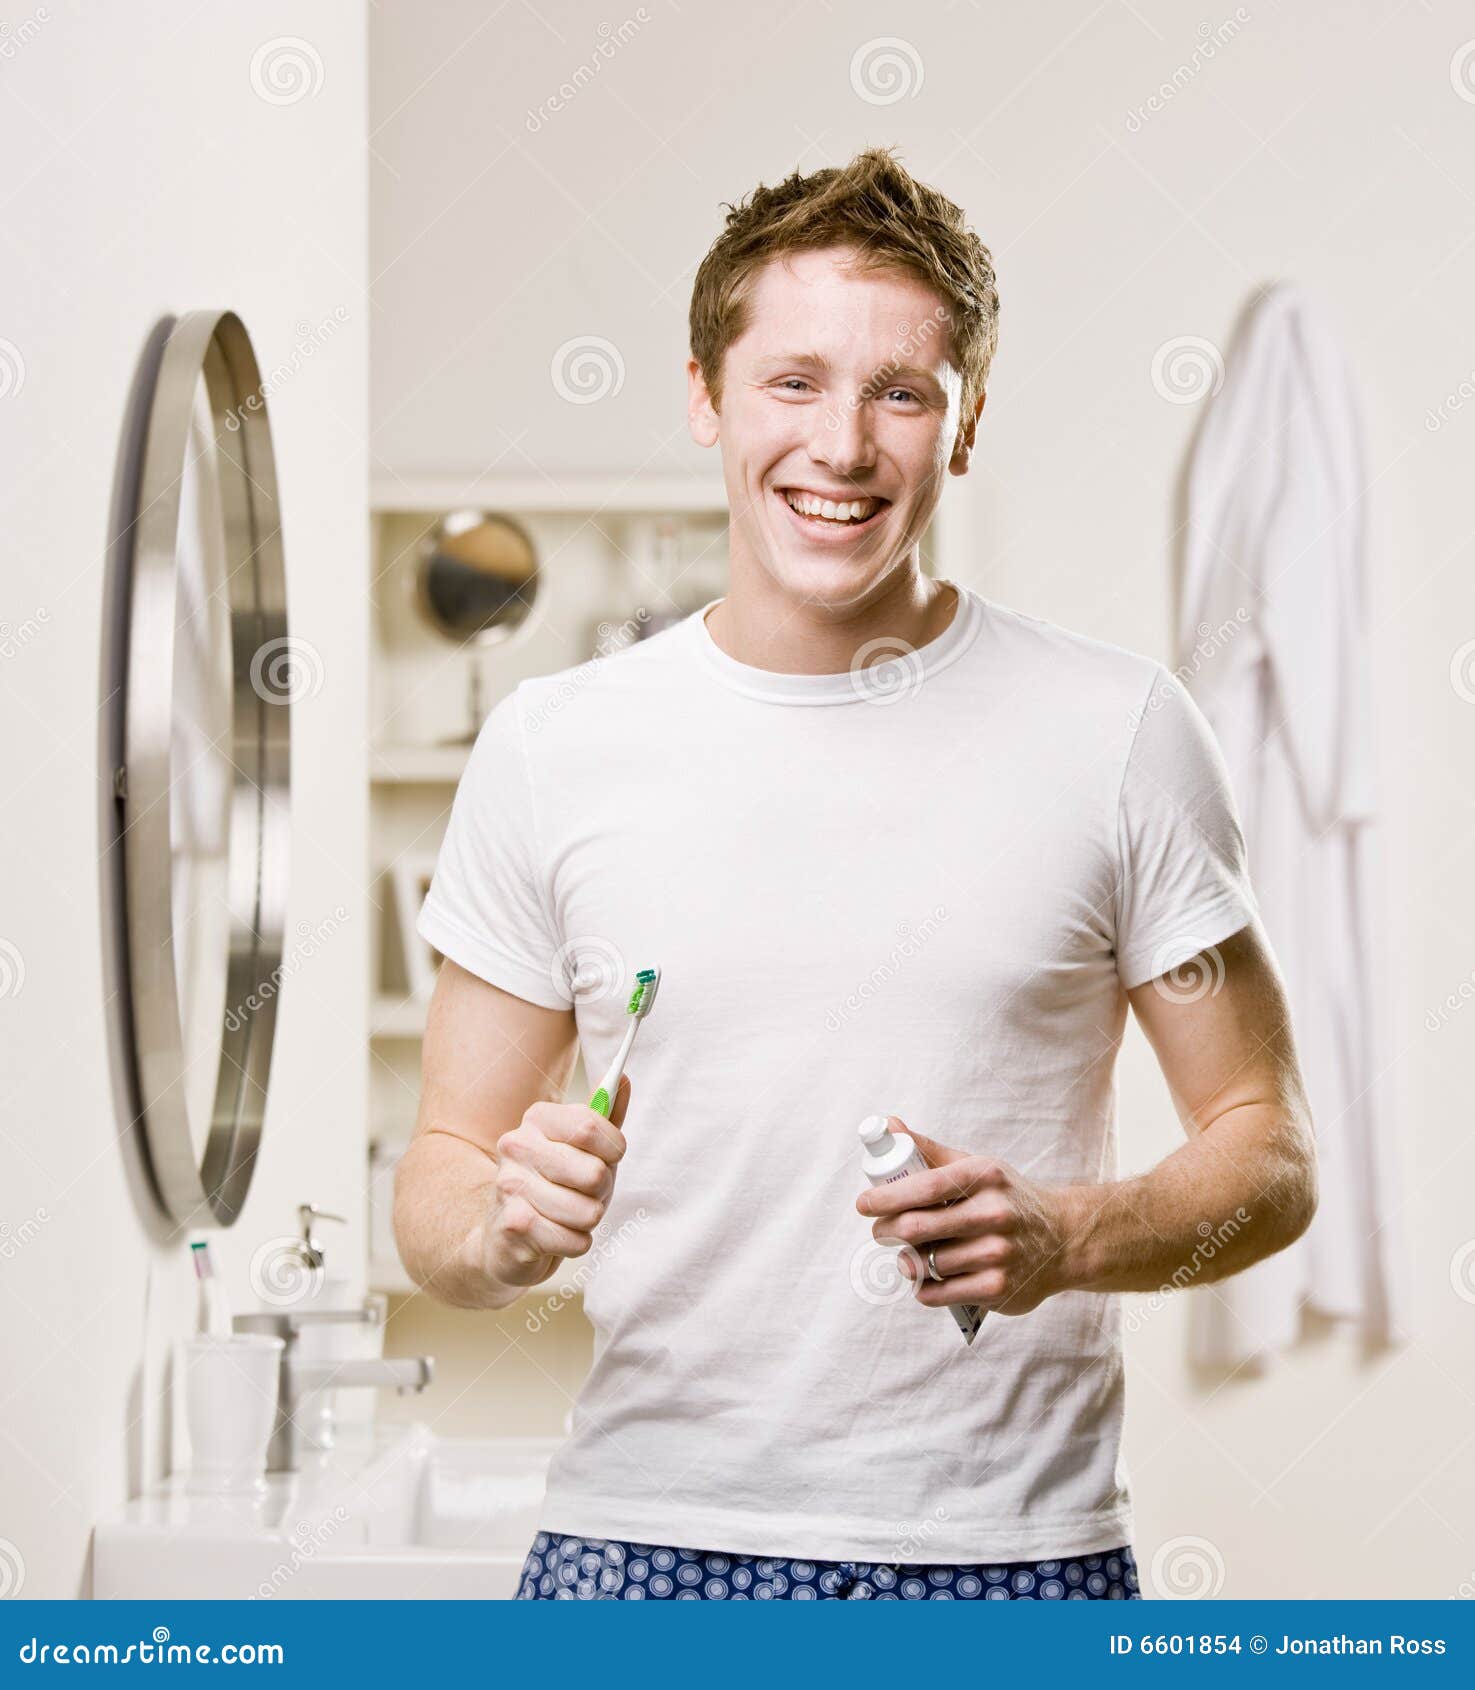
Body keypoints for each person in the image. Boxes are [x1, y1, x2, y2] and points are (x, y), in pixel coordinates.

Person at [394, 148, 1317, 1603]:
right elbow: (441, 1186)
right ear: (706, 394)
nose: (843, 444)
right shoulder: (552, 747)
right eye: (794, 381)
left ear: (966, 423)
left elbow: (1269, 1154)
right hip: (638, 1547)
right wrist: (501, 1228)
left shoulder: (1121, 732)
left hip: (1006, 1555)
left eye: (900, 391)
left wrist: (1069, 1232)